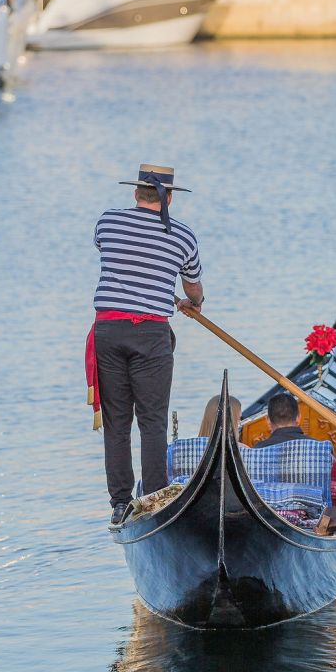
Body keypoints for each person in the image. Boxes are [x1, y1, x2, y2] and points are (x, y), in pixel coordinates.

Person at [88, 164, 204, 526]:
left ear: (136, 193)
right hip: (151, 335)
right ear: (169, 197)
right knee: (152, 422)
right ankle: (155, 500)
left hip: (108, 332)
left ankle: (121, 503)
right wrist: (193, 305)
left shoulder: (107, 221)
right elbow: (193, 287)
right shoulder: (182, 235)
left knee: (117, 423)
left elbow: (114, 256)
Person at [257, 393, 336, 505]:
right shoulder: (321, 449)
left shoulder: (257, 451)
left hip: (269, 516)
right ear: (298, 418)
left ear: (267, 420)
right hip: (317, 517)